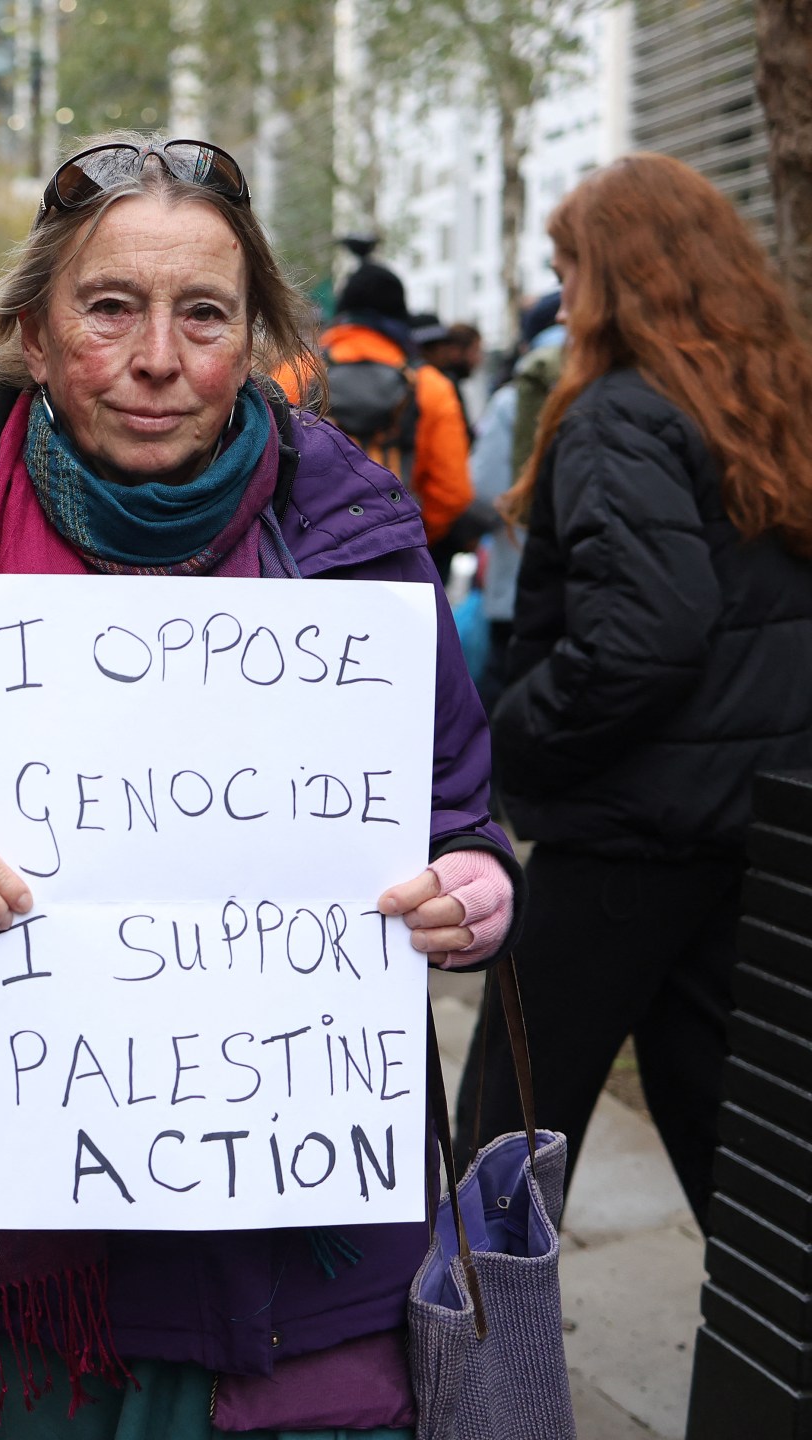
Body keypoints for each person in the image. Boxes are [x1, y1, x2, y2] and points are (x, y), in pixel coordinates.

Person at [0, 132, 521, 1433]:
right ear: (34, 326)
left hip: (306, 1279)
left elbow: (457, 815)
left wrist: (476, 882)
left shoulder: (363, 554)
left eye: (204, 315)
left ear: (258, 334)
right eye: (111, 308)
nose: (160, 358)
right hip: (41, 1293)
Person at [458, 153, 812, 1228]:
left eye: (570, 268)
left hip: (625, 833)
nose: (560, 295)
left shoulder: (619, 414)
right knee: (738, 1151)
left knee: (500, 1150)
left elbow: (642, 639)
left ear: (618, 276)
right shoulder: (776, 404)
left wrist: (515, 741)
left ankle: (471, 1384)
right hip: (753, 828)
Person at [280, 260, 473, 553]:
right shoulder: (430, 386)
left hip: (304, 558)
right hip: (401, 555)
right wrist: (412, 536)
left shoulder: (291, 376)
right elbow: (453, 492)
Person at [466, 292, 560, 716]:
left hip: (517, 580)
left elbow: (482, 486)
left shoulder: (514, 398)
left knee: (510, 703)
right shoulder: (622, 379)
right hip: (598, 598)